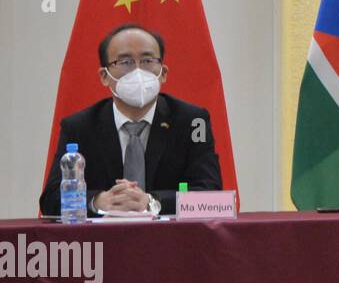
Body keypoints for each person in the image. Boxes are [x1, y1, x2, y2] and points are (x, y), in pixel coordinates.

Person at [39, 24, 222, 216]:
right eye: (125, 62)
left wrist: (151, 202)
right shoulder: (79, 126)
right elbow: (51, 199)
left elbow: (210, 195)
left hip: (172, 241)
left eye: (147, 60)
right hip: (102, 242)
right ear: (104, 76)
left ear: (164, 73)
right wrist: (97, 201)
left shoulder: (193, 121)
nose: (138, 71)